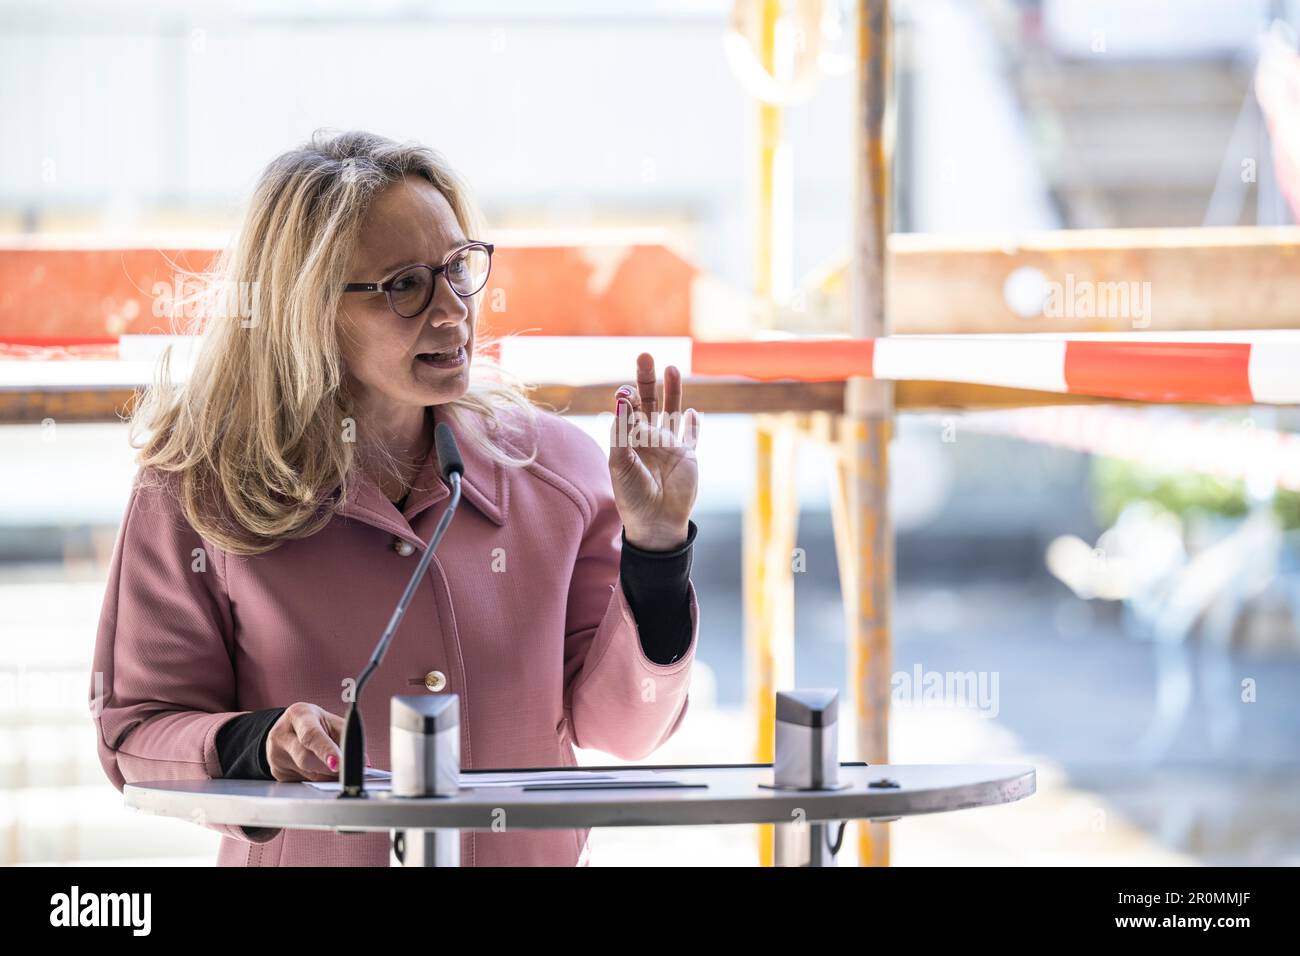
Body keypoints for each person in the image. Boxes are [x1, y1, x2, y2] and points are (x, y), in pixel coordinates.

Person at [88, 129, 702, 866]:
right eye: (404, 285)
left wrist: (657, 553)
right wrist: (254, 743)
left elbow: (626, 730)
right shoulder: (193, 488)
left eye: (457, 269)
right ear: (306, 307)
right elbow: (136, 735)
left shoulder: (558, 473)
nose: (452, 312)